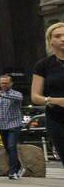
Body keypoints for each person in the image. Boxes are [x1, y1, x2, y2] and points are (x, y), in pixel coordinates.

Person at [30, 21, 64, 164]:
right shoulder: (43, 65)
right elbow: (35, 97)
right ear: (50, 41)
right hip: (57, 120)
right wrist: (56, 101)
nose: (62, 38)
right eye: (58, 36)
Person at [0, 74, 25, 180]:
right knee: (7, 148)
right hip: (2, 125)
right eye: (2, 83)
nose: (3, 85)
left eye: (6, 83)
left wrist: (2, 96)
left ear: (11, 83)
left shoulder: (16, 94)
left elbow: (19, 98)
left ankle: (12, 172)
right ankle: (19, 167)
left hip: (14, 124)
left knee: (11, 146)